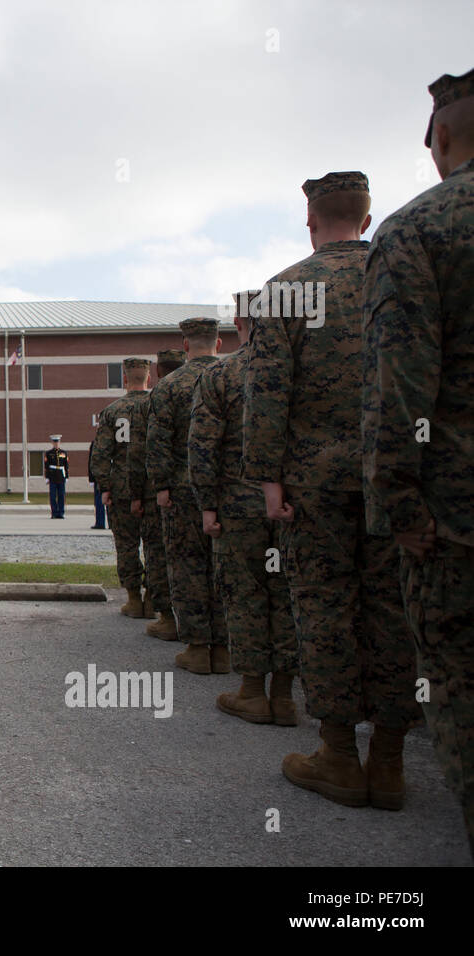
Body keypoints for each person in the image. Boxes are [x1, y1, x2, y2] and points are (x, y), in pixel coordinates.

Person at [246, 170, 421, 809]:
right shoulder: (402, 270)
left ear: (311, 221)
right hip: (398, 475)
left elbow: (267, 397)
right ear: (368, 220)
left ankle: (340, 755)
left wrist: (268, 479)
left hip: (314, 485)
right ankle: (393, 761)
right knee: (394, 610)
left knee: (322, 609)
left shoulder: (287, 291)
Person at [363, 67, 474, 846]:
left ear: (437, 139)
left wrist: (399, 505)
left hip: (457, 522)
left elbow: (403, 387)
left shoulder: (420, 229)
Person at [190, 293, 297, 725]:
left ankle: (253, 690)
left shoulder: (222, 373)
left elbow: (202, 447)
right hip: (292, 504)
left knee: (247, 595)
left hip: (238, 506)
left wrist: (207, 506)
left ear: (236, 322)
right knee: (288, 594)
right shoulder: (295, 370)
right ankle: (286, 696)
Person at [148, 318, 228, 674]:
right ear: (219, 343)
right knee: (226, 569)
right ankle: (225, 649)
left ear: (184, 345)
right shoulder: (234, 375)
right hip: (229, 492)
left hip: (181, 492)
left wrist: (161, 486)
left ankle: (198, 648)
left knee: (187, 566)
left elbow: (158, 441)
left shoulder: (169, 384)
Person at [90, 358, 156, 619]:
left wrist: (104, 486)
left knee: (127, 544)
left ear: (125, 378)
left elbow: (101, 454)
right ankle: (153, 599)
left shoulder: (112, 411)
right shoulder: (157, 406)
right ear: (148, 378)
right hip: (152, 486)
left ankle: (132, 599)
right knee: (154, 545)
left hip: (121, 487)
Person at [127, 348, 185, 640]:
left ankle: (166, 617)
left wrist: (137, 493)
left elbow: (140, 454)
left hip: (160, 493)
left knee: (159, 554)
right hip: (207, 491)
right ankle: (212, 639)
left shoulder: (152, 401)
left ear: (158, 372)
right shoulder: (214, 381)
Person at [44, 436, 68, 518]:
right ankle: (54, 512)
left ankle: (61, 513)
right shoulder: (49, 453)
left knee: (61, 495)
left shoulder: (63, 453)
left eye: (57, 442)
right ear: (52, 443)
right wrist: (47, 477)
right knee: (53, 496)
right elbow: (46, 466)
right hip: (53, 475)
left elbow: (66, 465)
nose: (56, 444)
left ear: (59, 442)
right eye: (54, 442)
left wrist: (66, 476)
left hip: (61, 475)